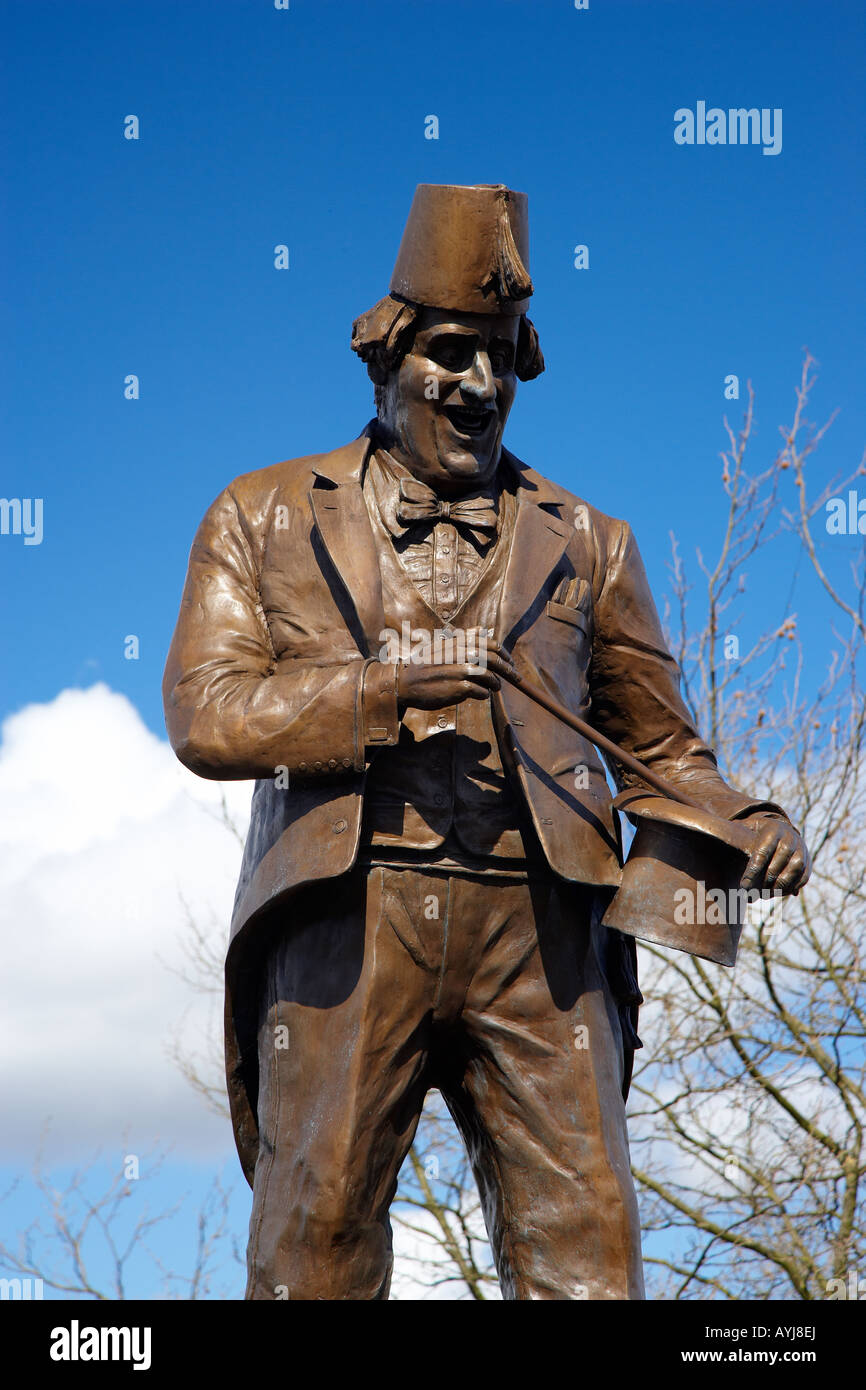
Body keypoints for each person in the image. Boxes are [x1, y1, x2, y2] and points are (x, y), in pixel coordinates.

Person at [163, 183, 810, 1300]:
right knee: (311, 1246)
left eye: (502, 358)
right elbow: (206, 711)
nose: (479, 385)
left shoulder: (590, 542)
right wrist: (377, 692)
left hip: (544, 935)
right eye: (453, 353)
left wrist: (742, 820)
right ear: (387, 354)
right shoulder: (258, 512)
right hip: (347, 920)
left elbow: (661, 746)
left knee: (591, 1255)